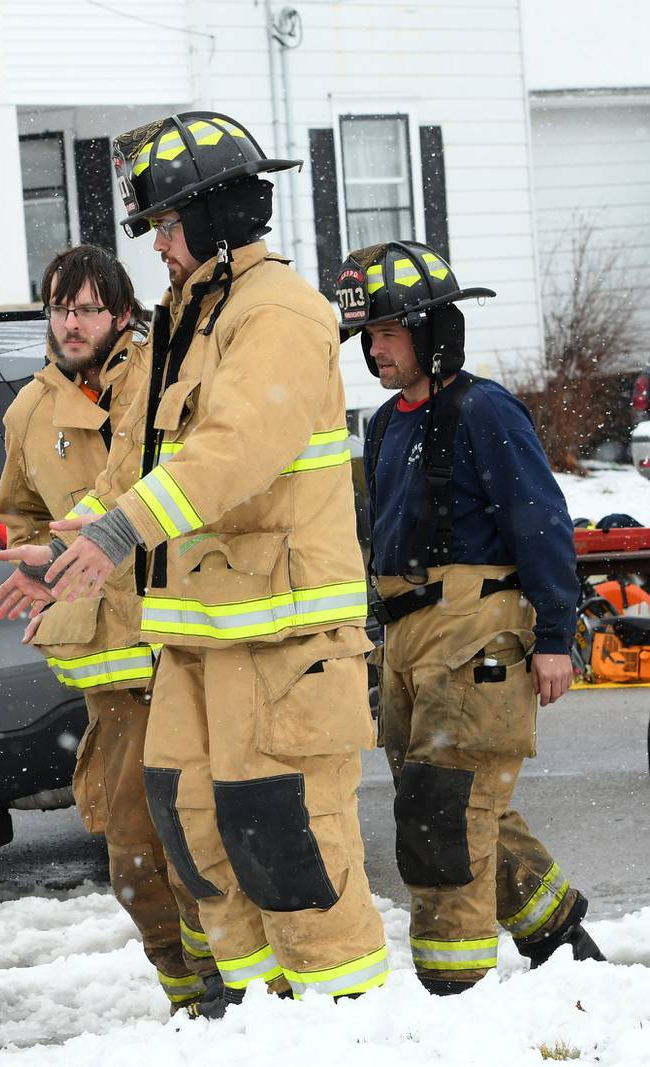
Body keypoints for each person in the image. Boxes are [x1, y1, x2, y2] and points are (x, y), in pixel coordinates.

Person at [0, 112, 388, 1015]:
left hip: (281, 636)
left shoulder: (277, 310)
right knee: (197, 830)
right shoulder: (186, 316)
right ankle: (260, 1021)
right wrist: (65, 544)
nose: (158, 247)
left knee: (288, 843)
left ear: (216, 215)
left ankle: (345, 1026)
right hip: (196, 641)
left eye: (167, 225)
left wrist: (113, 534)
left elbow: (231, 453)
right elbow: (130, 466)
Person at [336, 239, 605, 992]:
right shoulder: (386, 424)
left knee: (443, 822)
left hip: (475, 640)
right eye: (369, 335)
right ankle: (559, 931)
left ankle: (454, 995)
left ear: (431, 332)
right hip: (407, 645)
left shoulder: (484, 411)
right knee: (460, 802)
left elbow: (542, 522)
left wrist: (556, 637)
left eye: (388, 332)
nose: (375, 349)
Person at [0, 244, 217, 1011]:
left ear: (121, 312)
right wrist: (26, 557)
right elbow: (13, 511)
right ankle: (187, 992)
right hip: (108, 666)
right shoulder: (29, 411)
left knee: (201, 836)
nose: (72, 321)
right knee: (132, 852)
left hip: (180, 641)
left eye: (88, 306)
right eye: (60, 307)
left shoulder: (161, 381)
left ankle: (234, 985)